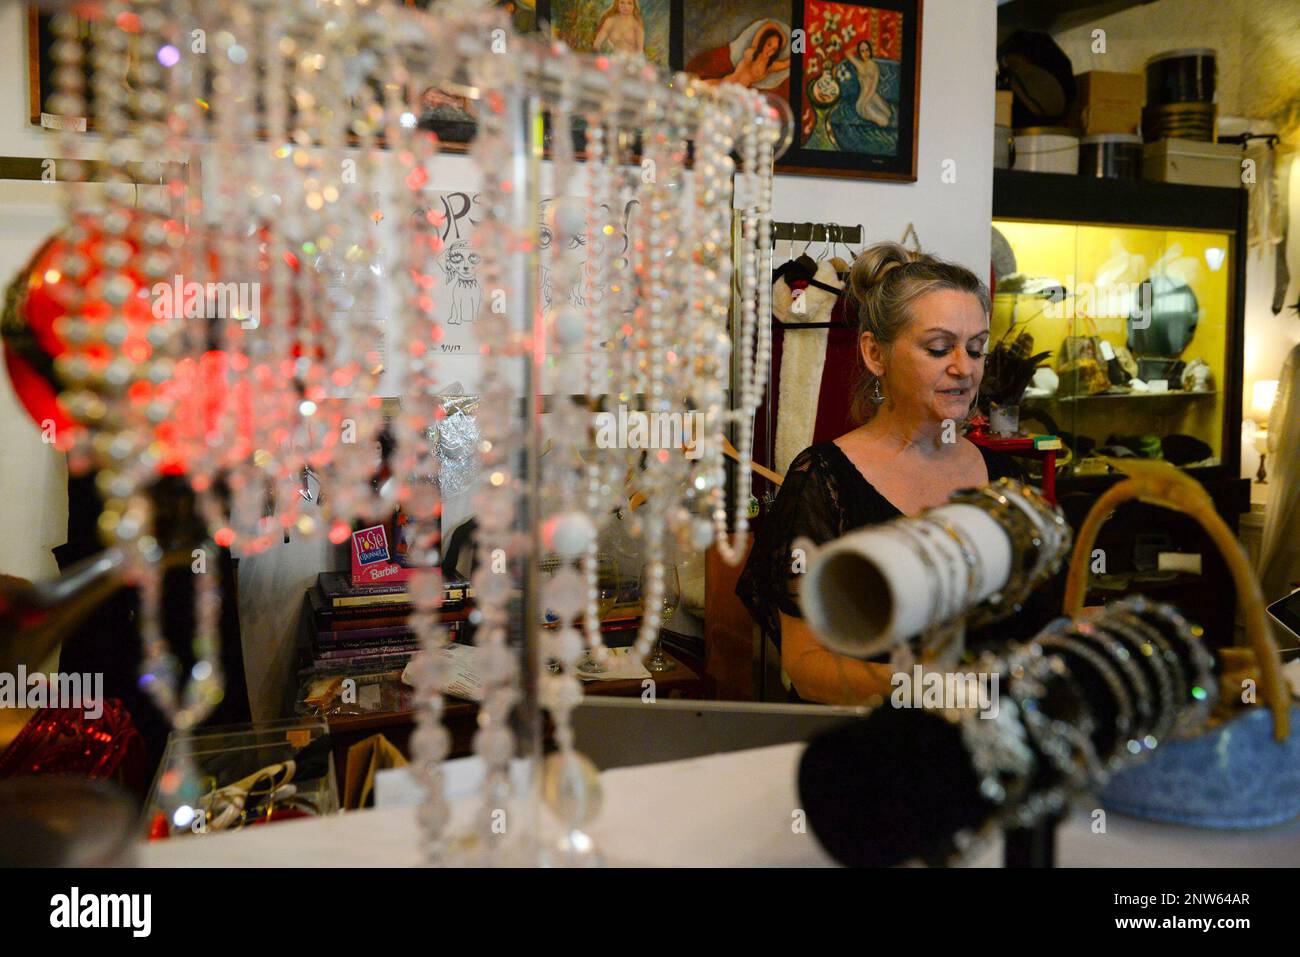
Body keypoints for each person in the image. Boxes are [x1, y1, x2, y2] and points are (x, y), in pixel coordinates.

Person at [736, 242, 1029, 705]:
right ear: (875, 353)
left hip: (993, 751)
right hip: (875, 746)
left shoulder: (1005, 478)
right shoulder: (825, 480)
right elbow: (806, 665)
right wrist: (930, 690)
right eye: (938, 348)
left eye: (976, 349)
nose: (963, 367)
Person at [845, 39, 893, 127]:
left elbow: (873, 87)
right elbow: (847, 53)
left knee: (889, 113)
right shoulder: (859, 65)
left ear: (870, 50)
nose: (865, 53)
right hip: (862, 99)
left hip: (872, 95)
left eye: (867, 50)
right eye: (862, 51)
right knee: (884, 121)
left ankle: (871, 108)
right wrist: (858, 45)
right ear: (859, 53)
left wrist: (867, 100)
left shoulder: (874, 66)